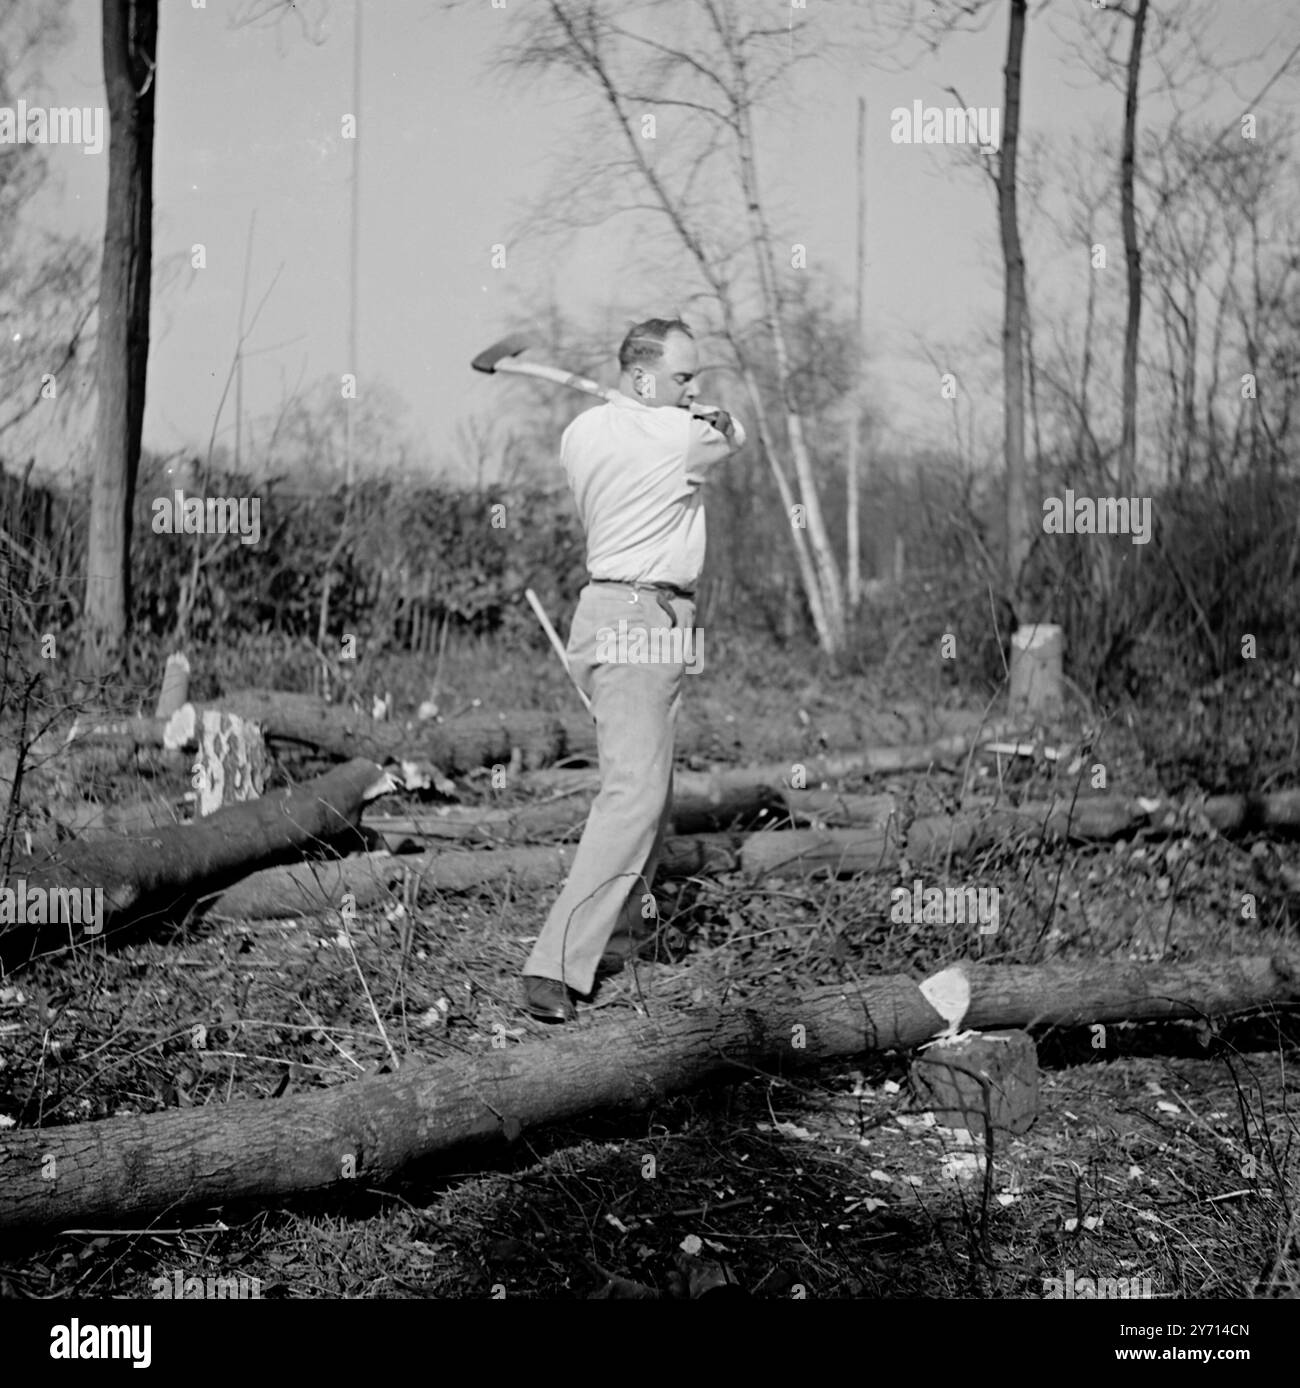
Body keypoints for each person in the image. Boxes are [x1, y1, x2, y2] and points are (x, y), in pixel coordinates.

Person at [521, 317, 745, 1022]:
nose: (693, 390)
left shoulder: (582, 432)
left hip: (614, 614)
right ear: (644, 378)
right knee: (635, 795)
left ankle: (620, 943)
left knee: (651, 787)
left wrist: (665, 402)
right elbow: (734, 433)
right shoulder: (680, 435)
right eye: (684, 377)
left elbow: (670, 425)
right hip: (641, 620)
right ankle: (555, 963)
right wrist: (699, 411)